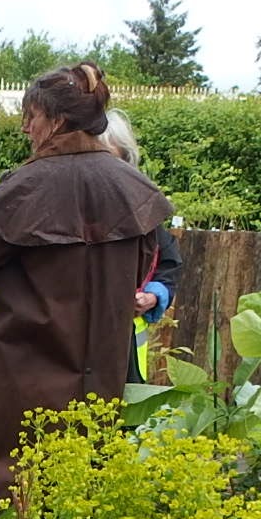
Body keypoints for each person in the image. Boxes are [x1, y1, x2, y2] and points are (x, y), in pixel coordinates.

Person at [0, 62, 172, 487]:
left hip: (22, 372)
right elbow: (148, 265)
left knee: (8, 487)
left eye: (30, 117)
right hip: (102, 372)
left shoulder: (23, 189)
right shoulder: (132, 189)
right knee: (81, 485)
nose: (25, 129)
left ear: (56, 120)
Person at [101, 109, 183, 381]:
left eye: (112, 161)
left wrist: (153, 296)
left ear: (127, 161)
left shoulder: (143, 210)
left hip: (128, 358)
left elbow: (168, 264)